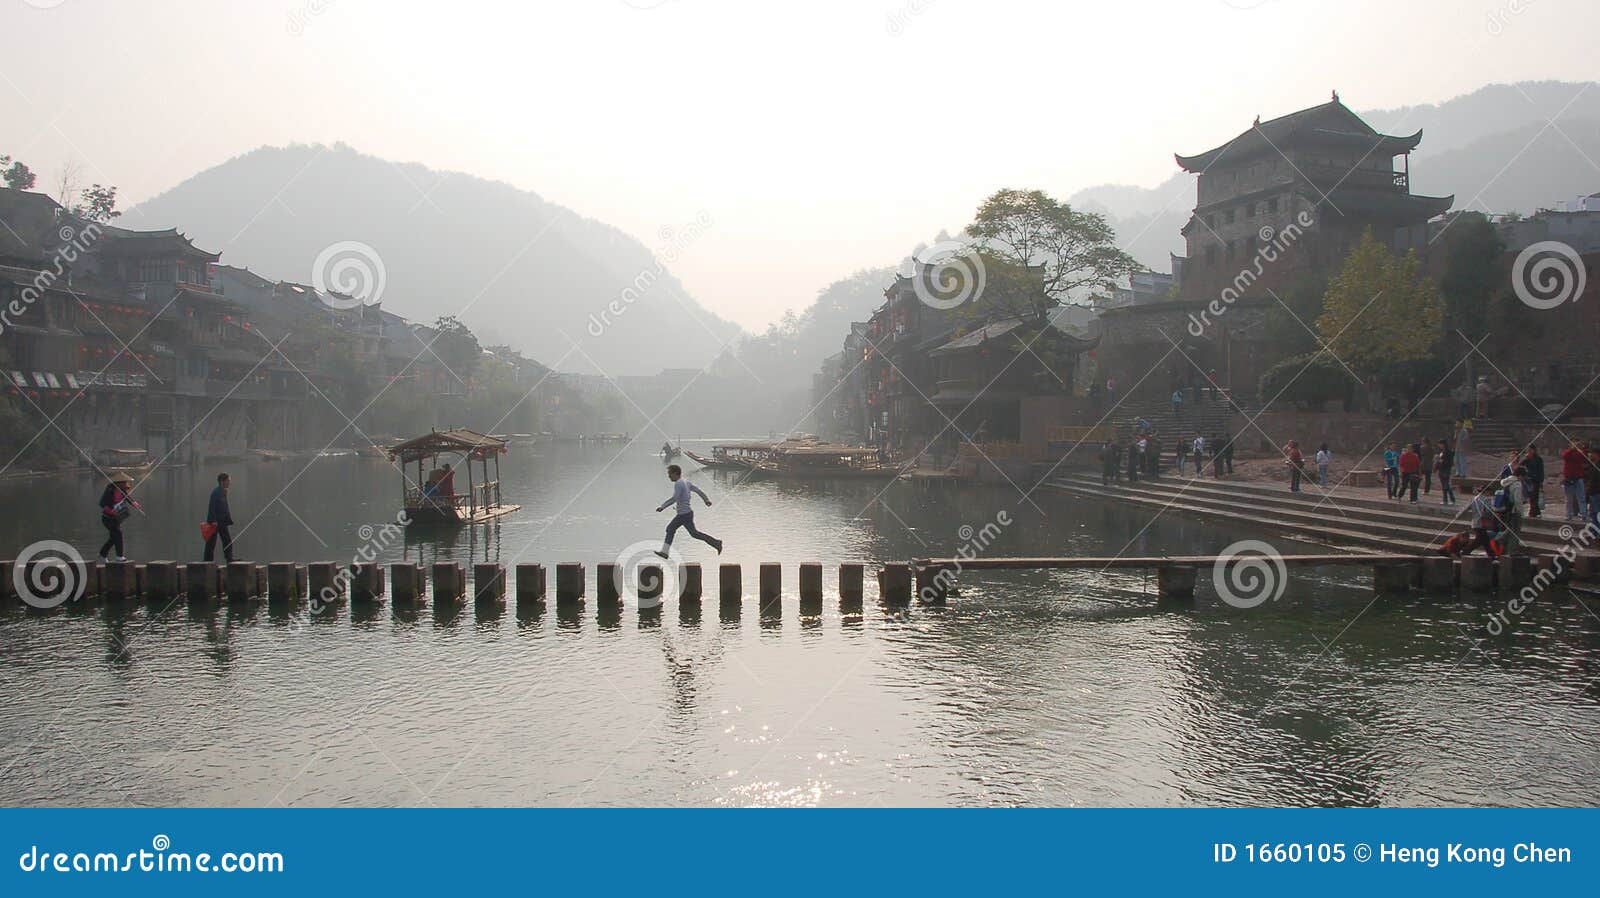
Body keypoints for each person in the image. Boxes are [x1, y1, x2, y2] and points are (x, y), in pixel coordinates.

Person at [654, 464, 722, 557]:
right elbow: (698, 490)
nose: (669, 476)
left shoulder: (678, 483)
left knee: (670, 529)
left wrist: (663, 506)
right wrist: (706, 500)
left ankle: (665, 552)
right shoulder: (686, 482)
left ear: (675, 473)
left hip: (683, 514)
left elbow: (674, 498)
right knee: (694, 534)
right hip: (688, 513)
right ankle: (716, 542)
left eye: (670, 474)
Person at [97, 471, 138, 562]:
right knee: (118, 534)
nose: (126, 484)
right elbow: (102, 504)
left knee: (114, 537)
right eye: (124, 482)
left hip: (116, 518)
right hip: (107, 518)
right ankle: (119, 556)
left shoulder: (122, 490)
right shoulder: (110, 490)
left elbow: (128, 498)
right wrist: (111, 511)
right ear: (119, 483)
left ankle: (102, 554)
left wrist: (133, 503)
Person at [204, 472, 235, 563]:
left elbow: (224, 508)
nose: (229, 483)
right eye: (228, 481)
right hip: (215, 522)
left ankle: (229, 558)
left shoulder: (223, 492)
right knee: (211, 543)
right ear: (222, 481)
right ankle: (207, 561)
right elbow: (212, 507)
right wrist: (213, 520)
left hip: (222, 522)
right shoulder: (216, 492)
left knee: (227, 540)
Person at [1560, 440, 1589, 521]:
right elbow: (1564, 456)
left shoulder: (1580, 452)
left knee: (1581, 497)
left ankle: (1583, 514)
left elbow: (1584, 457)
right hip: (1568, 478)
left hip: (1578, 478)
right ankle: (1569, 514)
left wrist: (1580, 448)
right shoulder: (1568, 452)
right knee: (1569, 498)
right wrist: (1572, 449)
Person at [1520, 444, 1544, 518]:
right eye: (1528, 450)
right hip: (1528, 480)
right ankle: (1535, 511)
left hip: (1536, 480)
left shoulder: (1538, 459)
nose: (1529, 452)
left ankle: (1533, 512)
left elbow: (1541, 470)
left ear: (1534, 450)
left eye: (1530, 450)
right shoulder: (1527, 459)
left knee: (1534, 496)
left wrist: (1541, 481)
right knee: (1531, 496)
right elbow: (1520, 465)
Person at [1436, 437, 1456, 506]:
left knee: (1446, 486)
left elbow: (1449, 462)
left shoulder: (1448, 452)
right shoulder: (1441, 452)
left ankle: (1451, 499)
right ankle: (1446, 500)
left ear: (1443, 444)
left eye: (1440, 444)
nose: (1439, 446)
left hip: (1446, 470)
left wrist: (1442, 461)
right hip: (1441, 470)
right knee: (1444, 486)